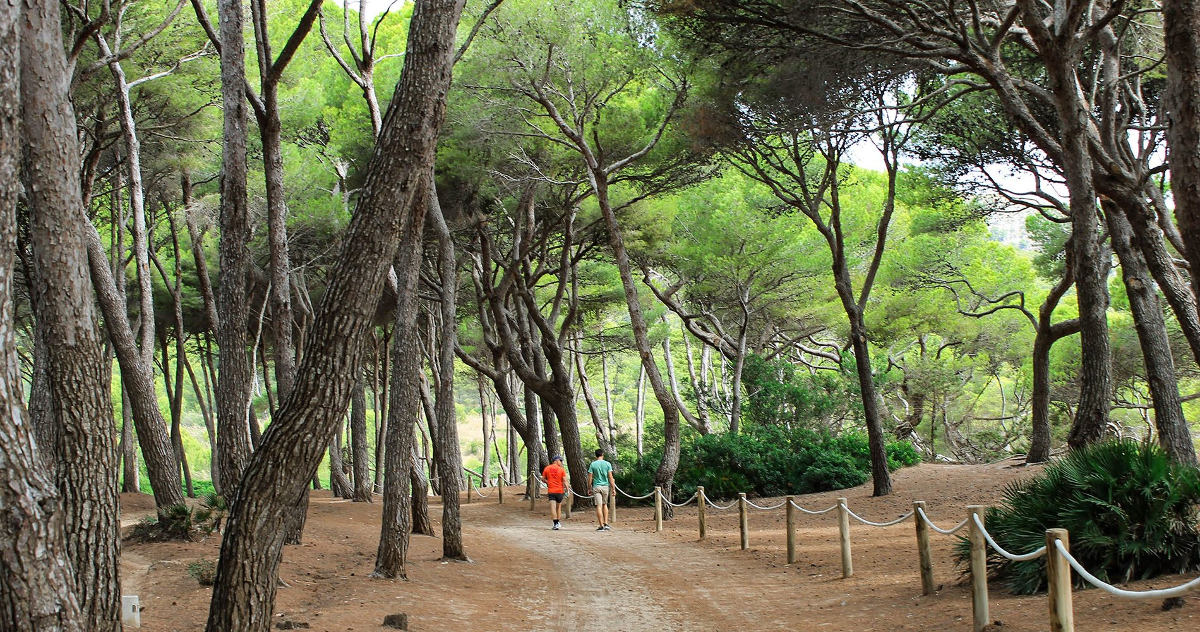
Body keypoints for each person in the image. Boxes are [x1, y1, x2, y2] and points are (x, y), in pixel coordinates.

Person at [586, 448, 614, 531]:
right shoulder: (608, 464)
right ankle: (606, 524)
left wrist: (589, 488)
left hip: (596, 486)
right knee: (605, 505)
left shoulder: (593, 464)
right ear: (602, 454)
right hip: (605, 486)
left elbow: (590, 477)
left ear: (596, 455)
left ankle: (601, 525)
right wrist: (613, 488)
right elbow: (610, 477)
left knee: (598, 505)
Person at [542, 455, 567, 530]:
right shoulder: (561, 469)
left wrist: (548, 482)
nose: (561, 462)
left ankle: (555, 523)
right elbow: (565, 481)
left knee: (553, 507)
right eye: (560, 461)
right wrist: (568, 489)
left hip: (551, 490)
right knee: (558, 507)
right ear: (556, 461)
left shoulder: (547, 468)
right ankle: (557, 522)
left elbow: (543, 479)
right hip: (559, 491)